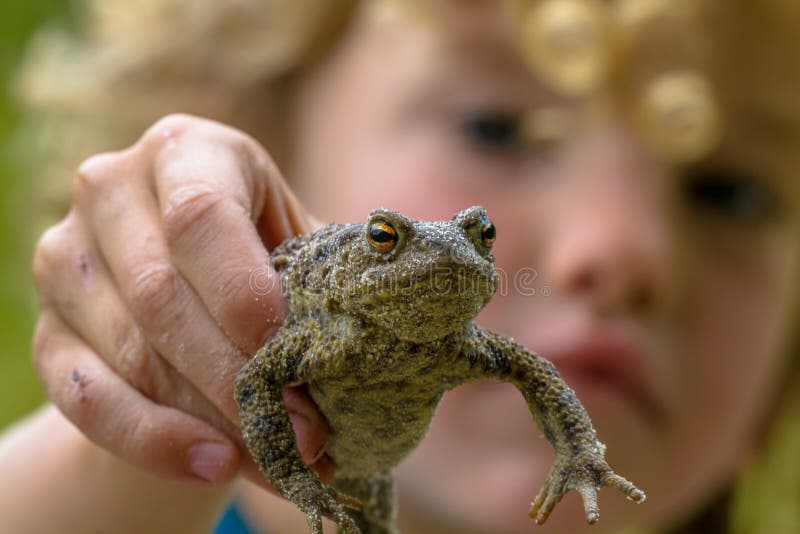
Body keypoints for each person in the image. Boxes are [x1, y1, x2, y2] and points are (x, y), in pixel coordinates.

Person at [2, 0, 800, 532]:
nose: (618, 249)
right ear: (266, 141)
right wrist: (144, 444)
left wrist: (580, 452)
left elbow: (534, 377)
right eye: (495, 128)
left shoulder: (470, 347)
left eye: (729, 195)